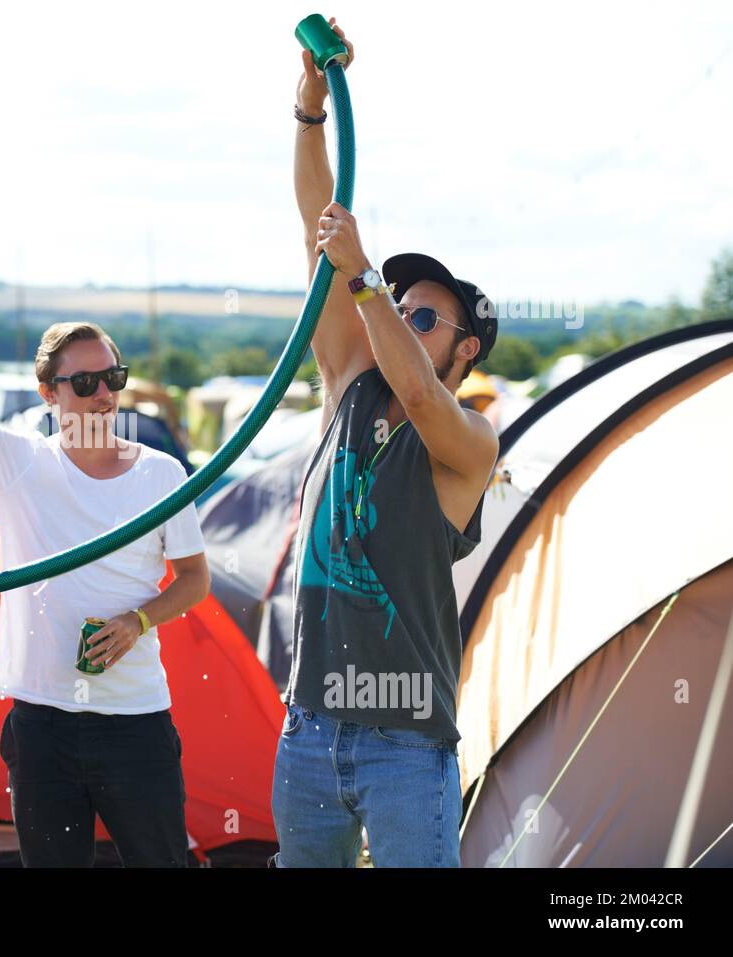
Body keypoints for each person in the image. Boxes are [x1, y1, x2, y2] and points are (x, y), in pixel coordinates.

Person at [0, 253, 211, 867]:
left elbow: (193, 581)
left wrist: (136, 623)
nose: (103, 394)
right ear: (48, 394)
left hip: (136, 721)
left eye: (114, 377)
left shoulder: (161, 474)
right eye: (84, 383)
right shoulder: (21, 460)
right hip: (43, 724)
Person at [271, 18, 500, 867]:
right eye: (402, 305)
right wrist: (308, 108)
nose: (403, 315)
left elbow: (418, 389)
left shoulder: (468, 439)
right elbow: (315, 223)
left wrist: (366, 276)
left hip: (408, 743)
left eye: (425, 316)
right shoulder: (348, 383)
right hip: (310, 726)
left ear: (466, 347)